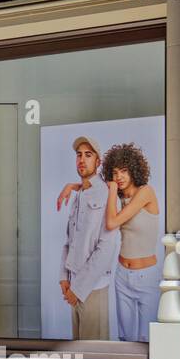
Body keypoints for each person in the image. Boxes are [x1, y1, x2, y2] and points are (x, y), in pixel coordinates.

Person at [54, 135, 118, 340]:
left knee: (94, 357)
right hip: (73, 288)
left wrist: (79, 289)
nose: (82, 159)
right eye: (79, 155)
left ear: (98, 162)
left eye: (88, 155)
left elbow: (106, 248)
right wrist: (64, 277)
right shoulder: (80, 194)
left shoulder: (107, 194)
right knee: (78, 355)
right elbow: (68, 241)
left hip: (93, 289)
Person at [100, 142, 160, 342]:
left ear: (134, 170)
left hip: (147, 278)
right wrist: (70, 186)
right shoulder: (119, 197)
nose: (119, 177)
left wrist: (110, 191)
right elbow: (89, 188)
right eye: (115, 173)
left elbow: (112, 223)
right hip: (122, 275)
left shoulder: (145, 192)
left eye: (124, 171)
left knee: (147, 340)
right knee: (125, 339)